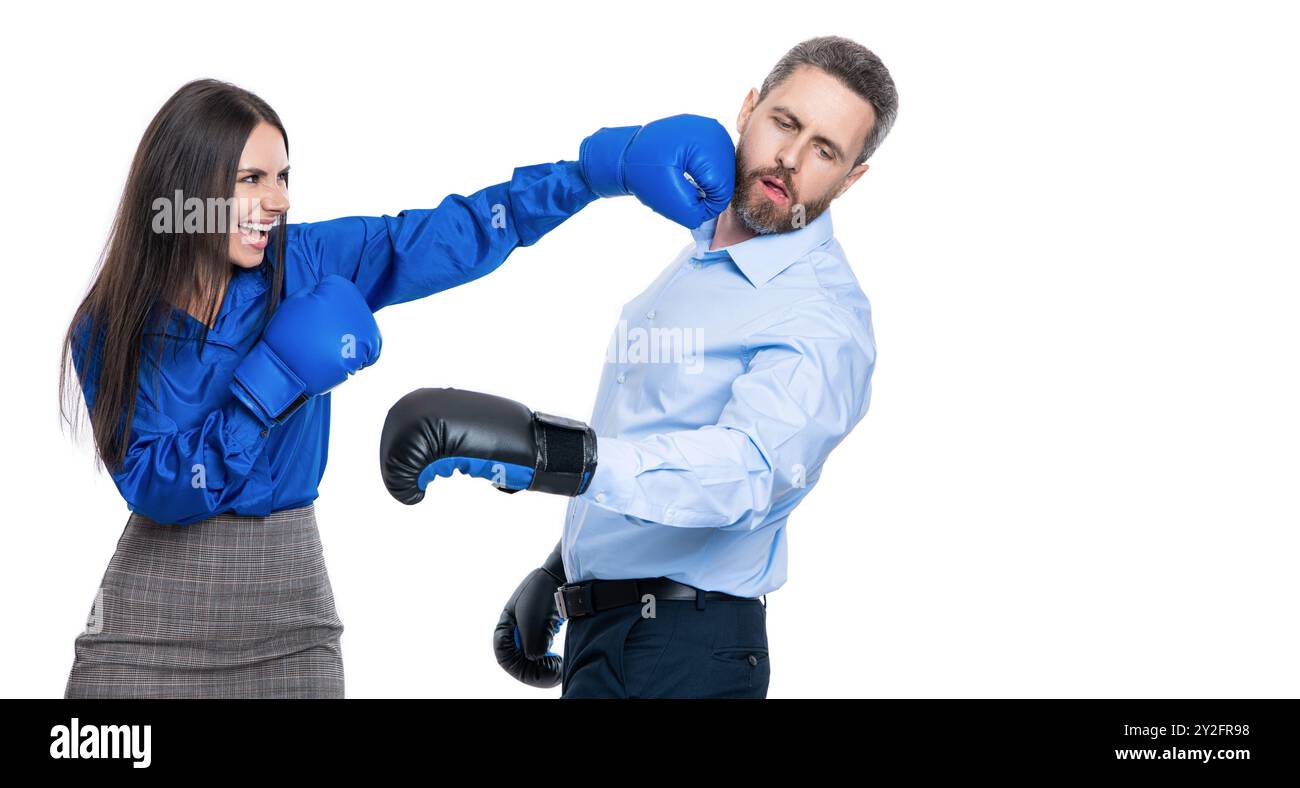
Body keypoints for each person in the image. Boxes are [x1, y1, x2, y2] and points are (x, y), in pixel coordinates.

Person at [59, 78, 735, 698]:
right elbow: (157, 487)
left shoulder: (308, 259)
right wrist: (270, 382)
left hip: (286, 604)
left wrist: (594, 173)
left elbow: (455, 232)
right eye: (252, 179)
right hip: (149, 614)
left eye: (284, 176)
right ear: (185, 191)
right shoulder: (109, 324)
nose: (280, 199)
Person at [378, 36, 899, 698]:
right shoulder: (710, 249)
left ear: (851, 177)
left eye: (825, 150)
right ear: (748, 108)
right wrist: (563, 567)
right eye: (785, 123)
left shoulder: (821, 312)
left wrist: (548, 453)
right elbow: (661, 432)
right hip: (619, 631)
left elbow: (748, 472)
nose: (790, 159)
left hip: (684, 649)